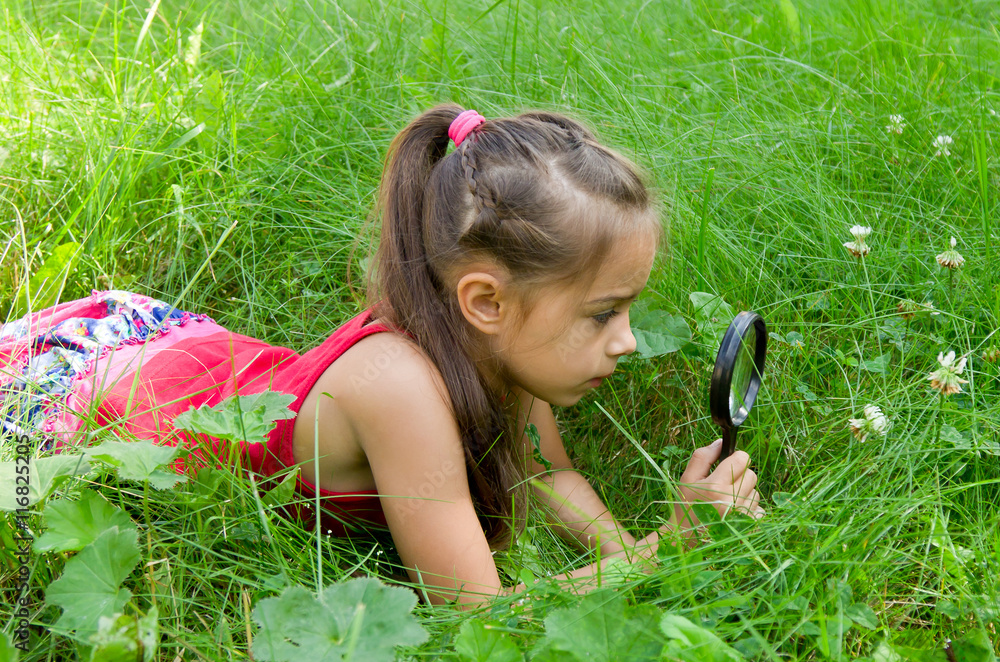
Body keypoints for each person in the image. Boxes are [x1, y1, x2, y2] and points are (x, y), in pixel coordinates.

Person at [0, 105, 761, 607]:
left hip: (191, 355)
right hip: (81, 387)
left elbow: (542, 474)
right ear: (487, 301)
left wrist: (637, 543)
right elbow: (477, 613)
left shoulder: (502, 350)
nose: (626, 339)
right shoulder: (399, 386)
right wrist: (665, 553)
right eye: (602, 313)